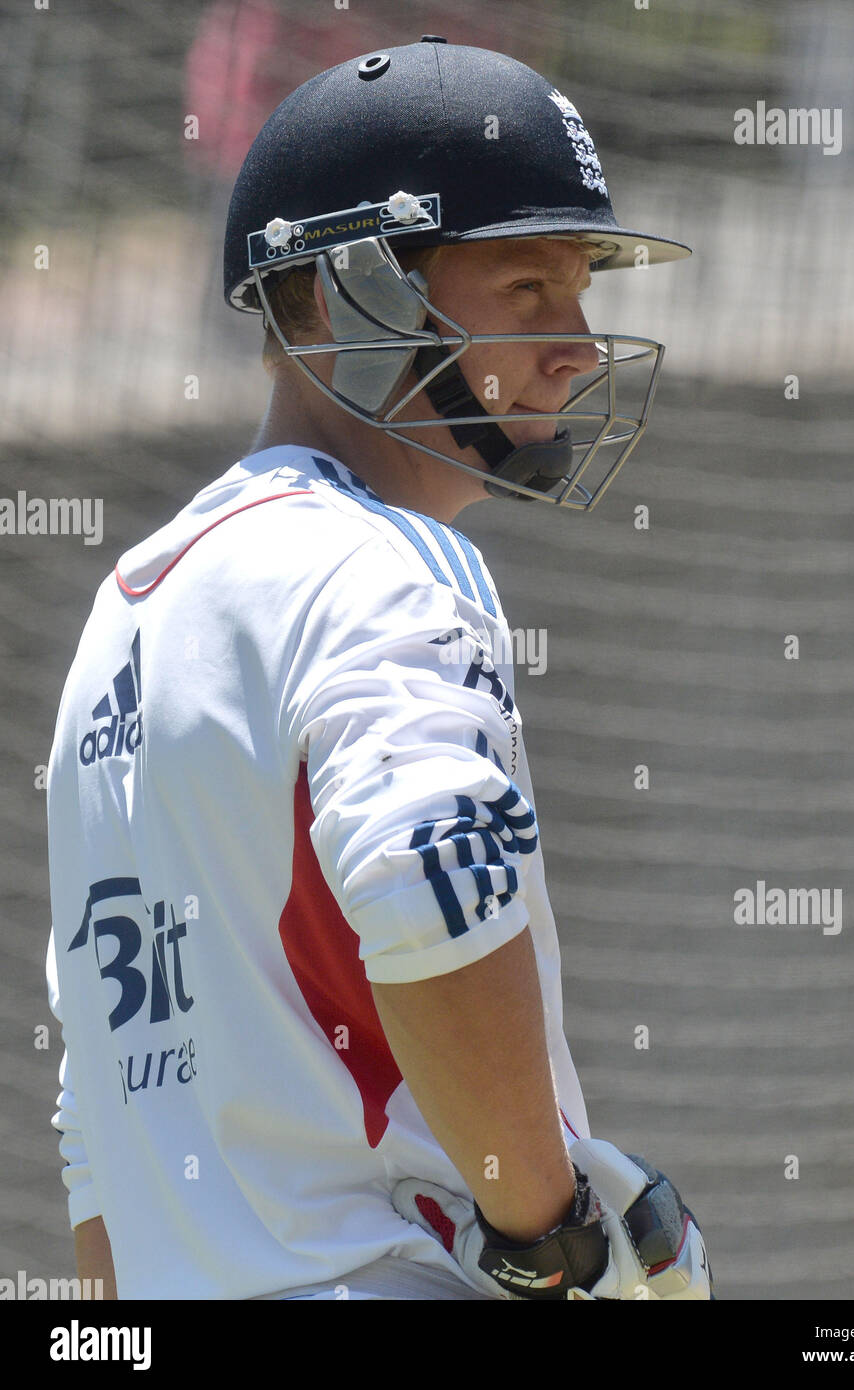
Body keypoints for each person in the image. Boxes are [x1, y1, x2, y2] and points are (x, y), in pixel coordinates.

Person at [45, 37, 710, 1301]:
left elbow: (101, 1103)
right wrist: (560, 1239)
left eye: (578, 292)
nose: (577, 344)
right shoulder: (387, 562)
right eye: (527, 287)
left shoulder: (123, 612)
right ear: (359, 297)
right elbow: (429, 891)